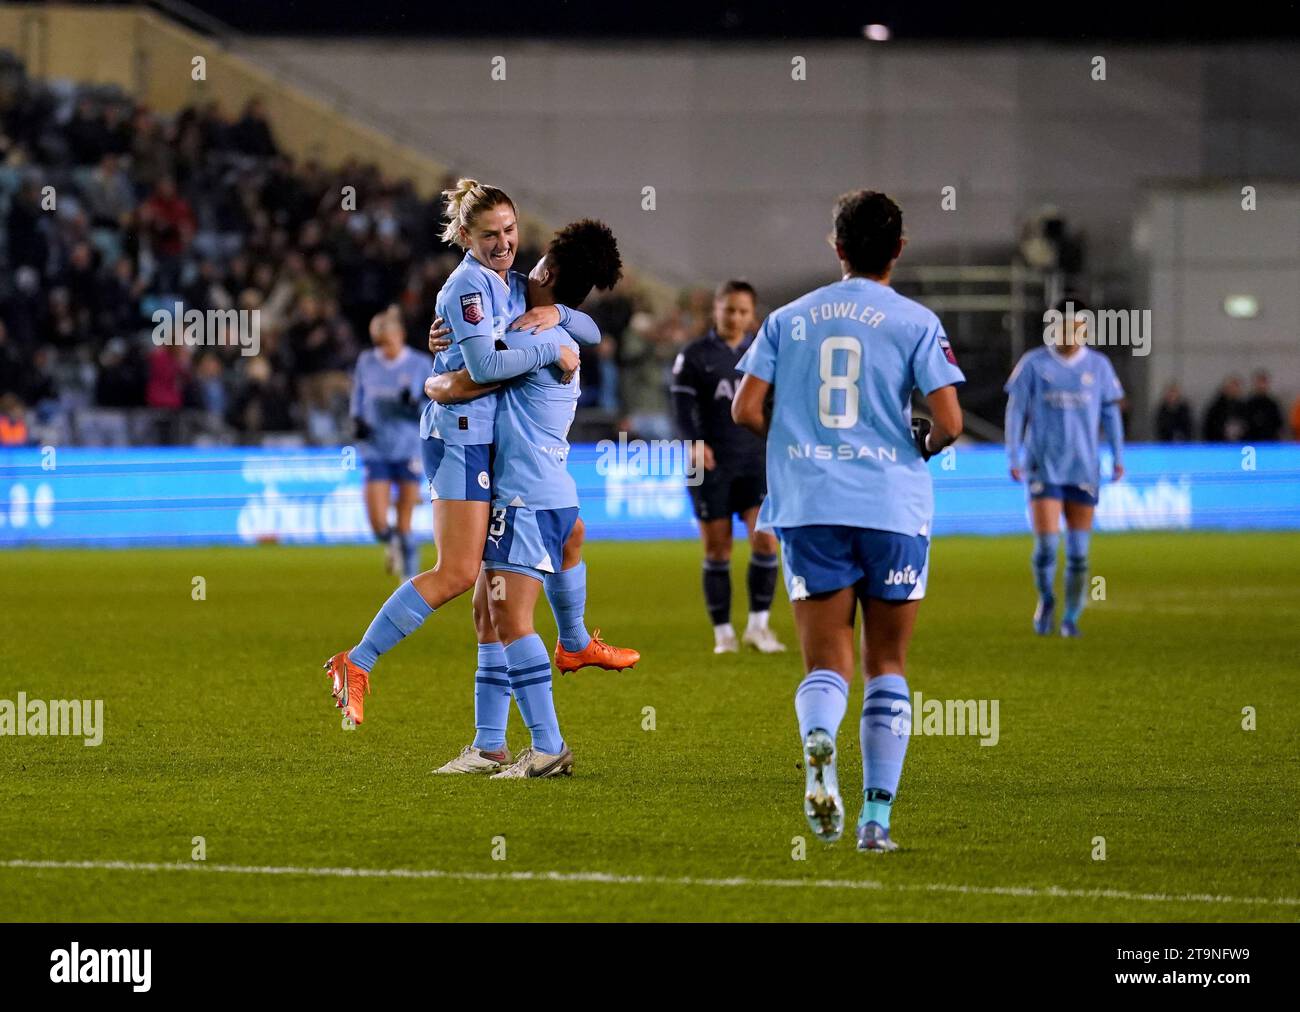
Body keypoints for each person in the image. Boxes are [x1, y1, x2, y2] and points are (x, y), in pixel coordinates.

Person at [323, 182, 633, 728]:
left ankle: (491, 741)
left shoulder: (510, 285)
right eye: (490, 234)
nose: (504, 243)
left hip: (487, 444)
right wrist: (545, 345)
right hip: (461, 439)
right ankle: (358, 660)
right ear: (465, 235)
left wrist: (557, 318)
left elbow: (586, 324)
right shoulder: (469, 285)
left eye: (511, 231)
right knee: (460, 572)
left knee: (492, 602)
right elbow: (485, 369)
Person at [732, 190, 964, 852]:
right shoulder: (915, 321)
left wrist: (798, 438)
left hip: (809, 507)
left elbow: (746, 409)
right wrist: (907, 445)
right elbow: (948, 422)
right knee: (886, 660)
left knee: (826, 660)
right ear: (899, 248)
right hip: (892, 506)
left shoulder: (787, 319)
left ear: (835, 247)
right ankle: (876, 822)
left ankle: (819, 737)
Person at [425, 221, 637, 775]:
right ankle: (490, 744)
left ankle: (548, 746)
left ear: (547, 271)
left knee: (510, 617)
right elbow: (587, 329)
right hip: (550, 494)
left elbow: (476, 372)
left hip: (524, 499)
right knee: (486, 615)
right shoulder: (558, 327)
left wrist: (433, 381)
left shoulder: (533, 339)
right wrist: (564, 315)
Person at [671, 280, 785, 654]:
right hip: (708, 464)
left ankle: (758, 626)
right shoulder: (694, 355)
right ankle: (723, 634)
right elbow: (681, 409)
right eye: (729, 309)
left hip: (757, 460)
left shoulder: (765, 354)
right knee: (717, 549)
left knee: (766, 540)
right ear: (716, 310)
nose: (735, 317)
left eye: (742, 311)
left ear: (752, 315)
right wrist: (693, 443)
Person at [1005, 296, 1125, 639]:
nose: (1067, 333)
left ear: (1084, 327)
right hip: (1044, 466)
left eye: (1074, 326)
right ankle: (1046, 599)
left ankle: (1071, 618)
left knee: (1079, 554)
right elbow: (1016, 411)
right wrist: (1012, 455)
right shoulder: (1034, 364)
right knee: (1045, 546)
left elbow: (1110, 413)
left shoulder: (1099, 366)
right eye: (1061, 326)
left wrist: (1118, 456)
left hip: (1084, 468)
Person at [351, 305, 432, 580]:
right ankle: (392, 542)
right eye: (378, 343)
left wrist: (416, 404)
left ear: (400, 335)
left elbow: (433, 407)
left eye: (387, 341)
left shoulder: (420, 364)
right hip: (376, 447)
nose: (383, 348)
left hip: (409, 447)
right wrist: (357, 421)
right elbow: (358, 397)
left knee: (405, 516)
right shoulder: (366, 362)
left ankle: (408, 581)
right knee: (376, 522)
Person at [1202, 375, 1248, 443]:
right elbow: (1209, 428)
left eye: (1236, 387)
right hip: (1220, 445)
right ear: (1225, 388)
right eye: (1231, 387)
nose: (1234, 390)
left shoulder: (1244, 407)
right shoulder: (1216, 408)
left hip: (1240, 446)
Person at [1244, 369, 1283, 442]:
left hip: (1269, 439)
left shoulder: (1272, 403)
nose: (1261, 385)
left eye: (1263, 383)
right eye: (1259, 382)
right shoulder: (1248, 403)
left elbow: (1278, 422)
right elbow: (1244, 422)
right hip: (1252, 439)